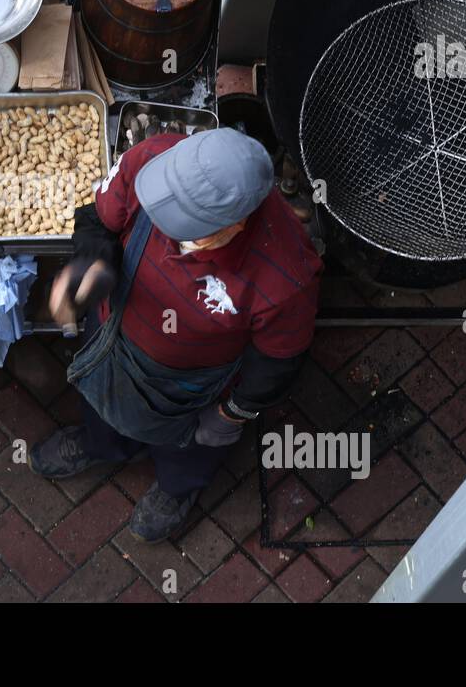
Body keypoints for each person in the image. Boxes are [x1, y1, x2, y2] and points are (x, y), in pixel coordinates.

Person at [33, 128, 322, 543]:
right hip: (114, 335)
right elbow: (98, 219)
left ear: (237, 223)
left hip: (193, 382)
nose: (166, 231)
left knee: (191, 446)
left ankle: (176, 489)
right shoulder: (152, 155)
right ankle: (103, 445)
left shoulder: (287, 275)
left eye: (186, 224)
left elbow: (277, 363)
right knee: (102, 411)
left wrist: (232, 414)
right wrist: (92, 264)